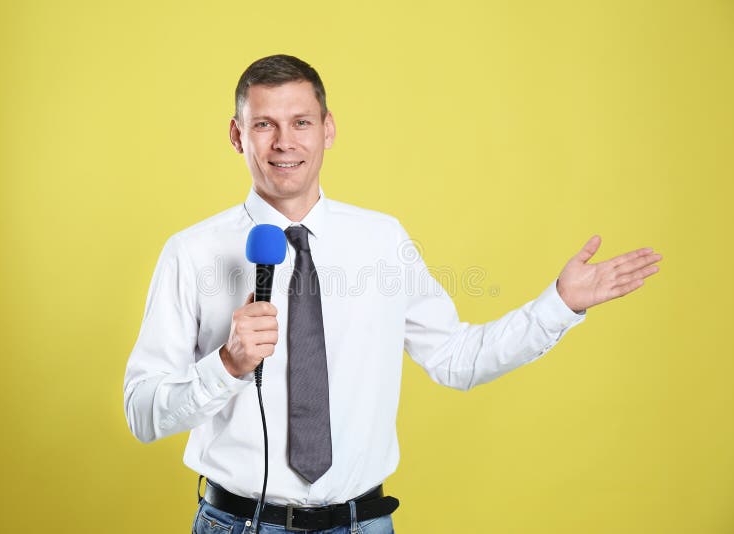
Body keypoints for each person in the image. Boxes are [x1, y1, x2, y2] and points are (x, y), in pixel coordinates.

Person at [123, 54, 662, 534]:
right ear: (238, 137)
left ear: (328, 129)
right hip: (238, 523)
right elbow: (144, 414)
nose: (284, 142)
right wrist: (228, 364)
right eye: (264, 124)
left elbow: (457, 359)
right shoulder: (191, 254)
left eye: (301, 122)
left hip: (362, 524)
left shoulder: (383, 239)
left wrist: (559, 306)